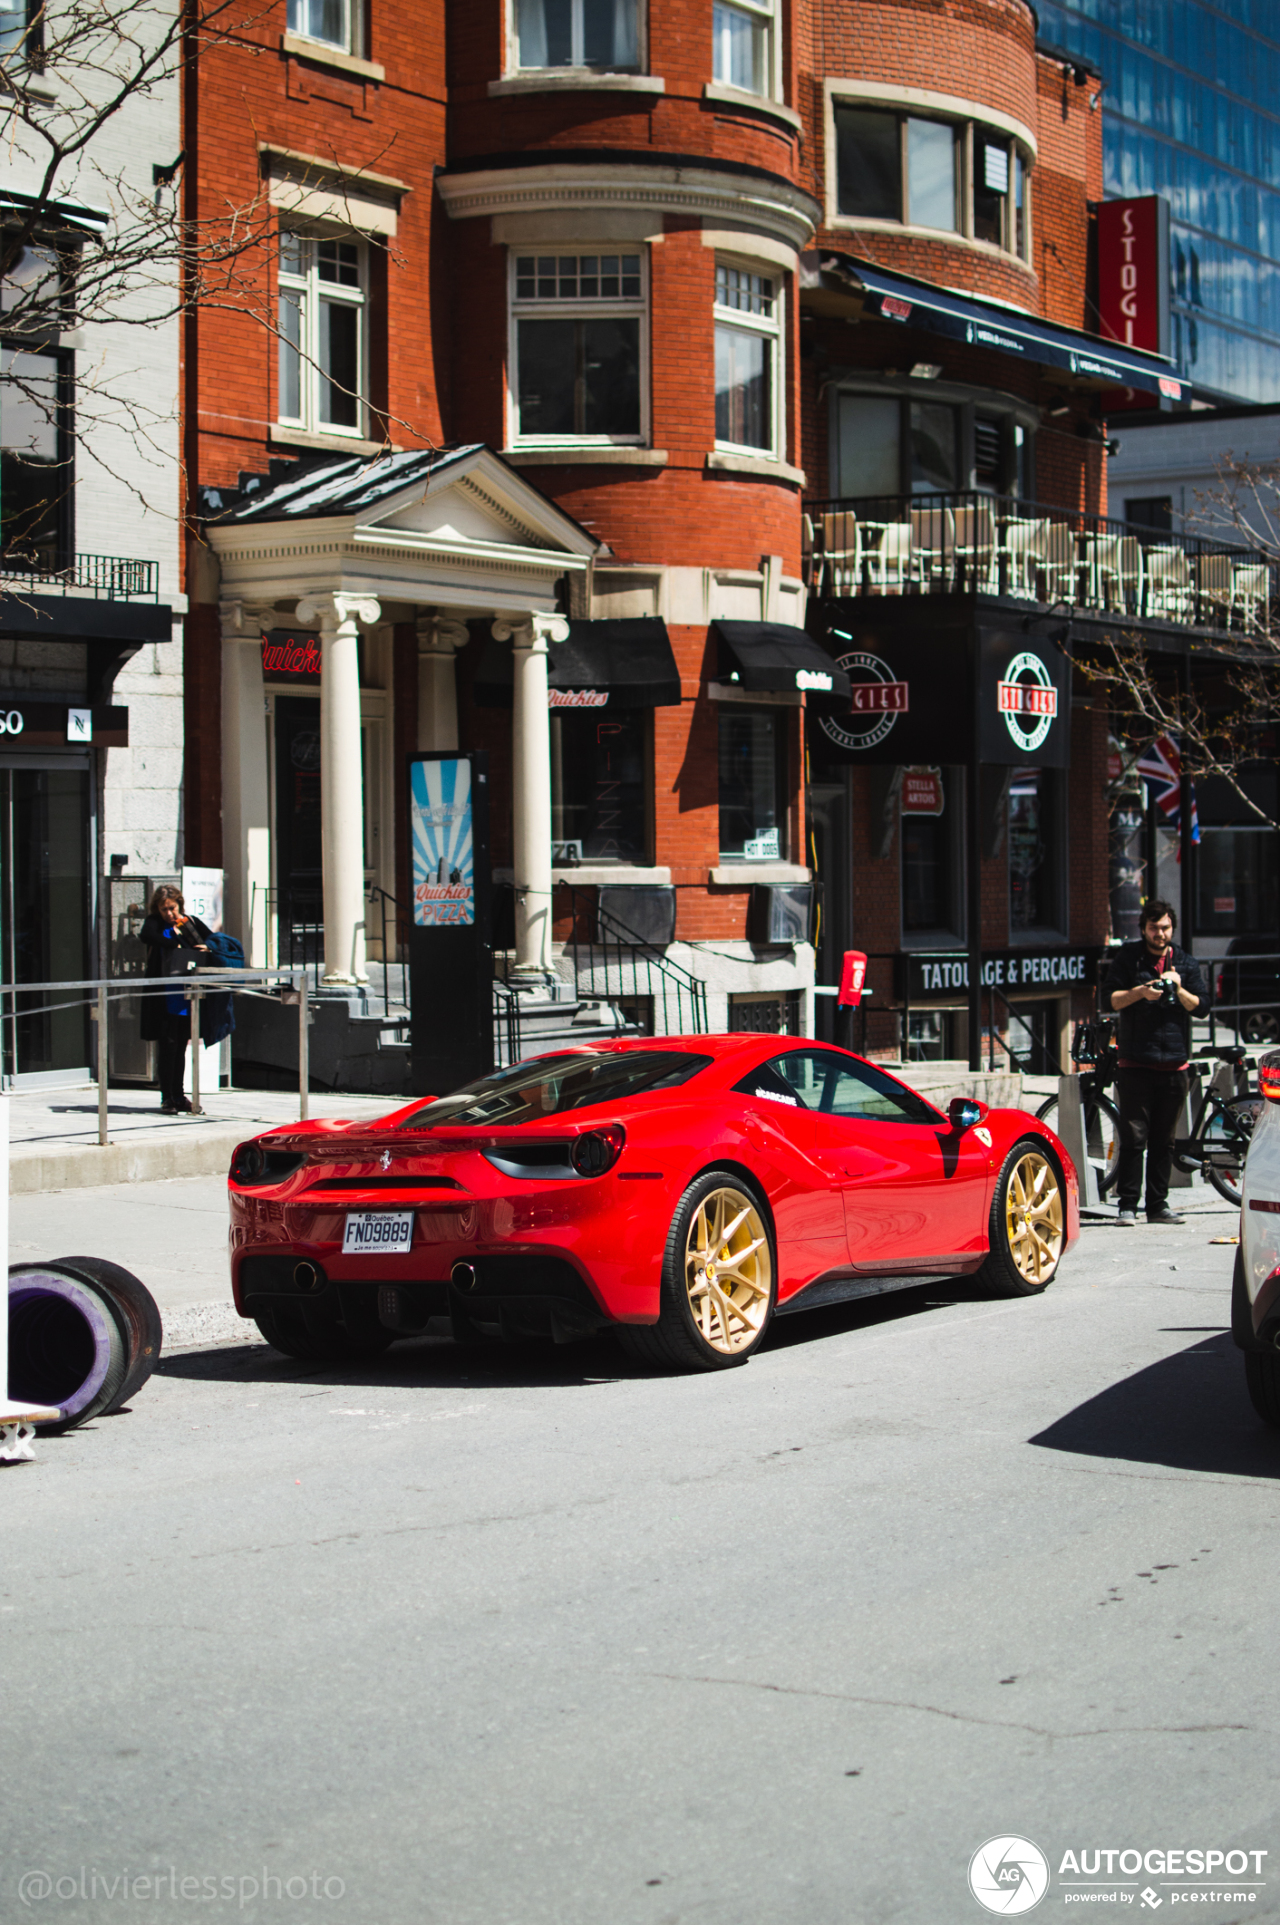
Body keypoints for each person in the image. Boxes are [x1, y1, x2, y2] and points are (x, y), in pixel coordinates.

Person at [1107, 897, 1207, 1226]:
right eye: (1154, 928)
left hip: (1174, 1064)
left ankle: (1158, 1205)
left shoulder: (1185, 963)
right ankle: (1127, 1205)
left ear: (1172, 928)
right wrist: (1141, 992)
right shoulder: (1128, 958)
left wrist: (1178, 988)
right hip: (1136, 1062)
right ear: (1143, 929)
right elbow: (1111, 999)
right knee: (1134, 1138)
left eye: (1165, 927)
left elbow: (1203, 1007)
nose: (1160, 934)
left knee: (1165, 1140)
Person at [139, 886, 212, 1113]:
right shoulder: (155, 923)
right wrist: (174, 943)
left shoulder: (190, 922)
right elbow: (146, 935)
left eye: (172, 908)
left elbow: (213, 939)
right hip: (164, 995)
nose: (169, 914)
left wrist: (208, 947)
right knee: (167, 1045)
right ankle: (167, 1097)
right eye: (164, 910)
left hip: (186, 994)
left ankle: (179, 1095)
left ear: (180, 904)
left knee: (180, 1045)